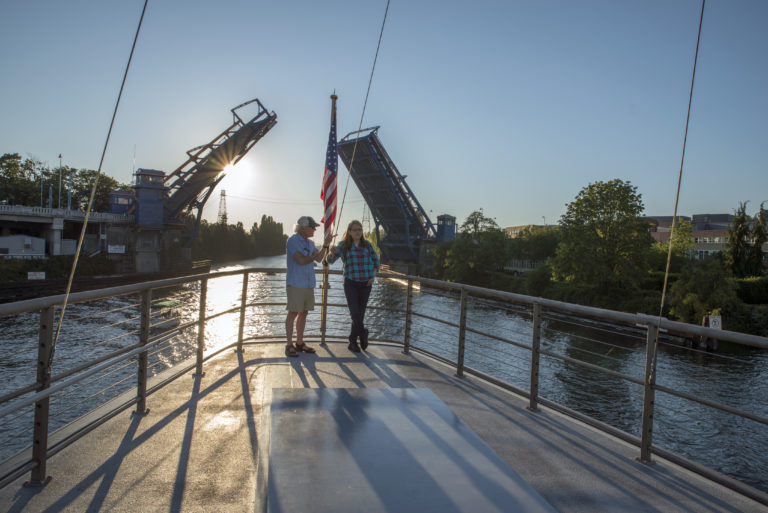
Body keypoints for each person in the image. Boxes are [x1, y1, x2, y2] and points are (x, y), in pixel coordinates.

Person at [327, 220, 380, 352]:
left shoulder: (367, 245)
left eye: (359, 230)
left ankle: (352, 342)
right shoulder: (344, 245)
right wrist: (331, 253)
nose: (357, 232)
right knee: (354, 313)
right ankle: (363, 333)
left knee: (360, 314)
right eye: (355, 230)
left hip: (366, 284)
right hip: (351, 283)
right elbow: (330, 261)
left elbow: (376, 262)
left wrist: (373, 276)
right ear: (349, 232)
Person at [285, 215, 332, 357]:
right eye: (312, 227)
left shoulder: (311, 243)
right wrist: (313, 258)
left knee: (304, 313)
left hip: (307, 283)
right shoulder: (292, 241)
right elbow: (300, 260)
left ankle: (299, 343)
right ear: (303, 228)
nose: (314, 229)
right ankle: (289, 345)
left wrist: (326, 245)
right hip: (296, 283)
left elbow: (318, 258)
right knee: (293, 313)